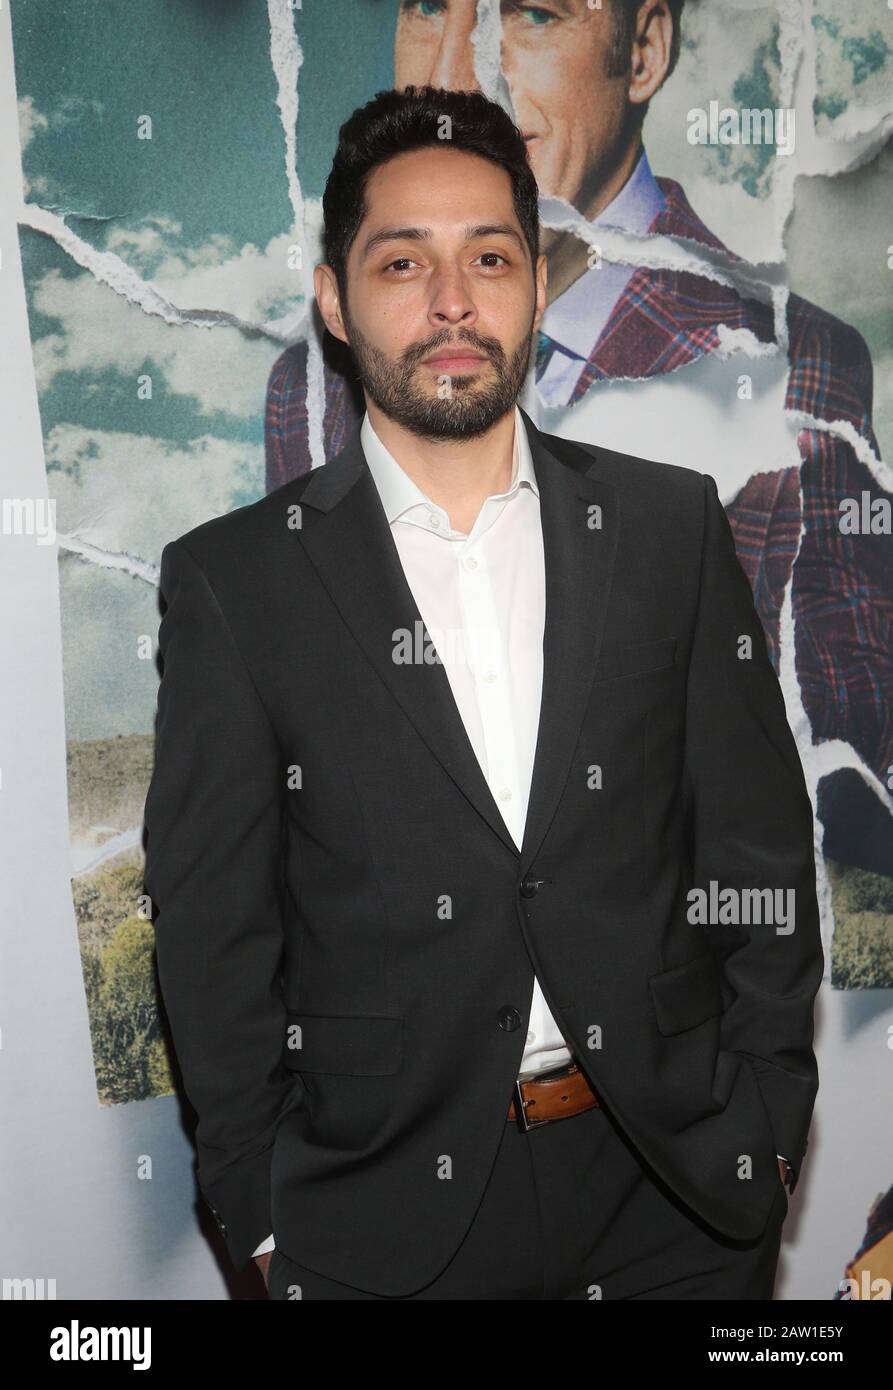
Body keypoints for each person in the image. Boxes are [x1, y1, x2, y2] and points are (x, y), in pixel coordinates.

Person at [144, 85, 823, 1300]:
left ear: (535, 285)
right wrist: (262, 1215)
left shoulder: (665, 529)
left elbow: (760, 853)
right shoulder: (234, 585)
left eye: (490, 256)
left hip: (671, 1197)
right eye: (402, 260)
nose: (451, 300)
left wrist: (766, 1127)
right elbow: (212, 936)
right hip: (384, 1230)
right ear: (332, 301)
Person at [265, 0, 892, 875]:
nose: (461, 73)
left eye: (530, 14)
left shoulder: (793, 359)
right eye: (425, 7)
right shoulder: (315, 384)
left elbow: (849, 725)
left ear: (641, 50)